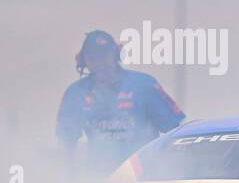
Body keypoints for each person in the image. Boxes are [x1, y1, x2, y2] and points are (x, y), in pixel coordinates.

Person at [57, 30, 186, 174]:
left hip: (145, 173)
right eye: (93, 56)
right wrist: (69, 176)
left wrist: (175, 169)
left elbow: (174, 130)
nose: (100, 61)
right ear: (83, 61)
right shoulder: (76, 93)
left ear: (116, 54)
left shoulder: (144, 85)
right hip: (99, 177)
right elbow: (66, 140)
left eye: (104, 55)